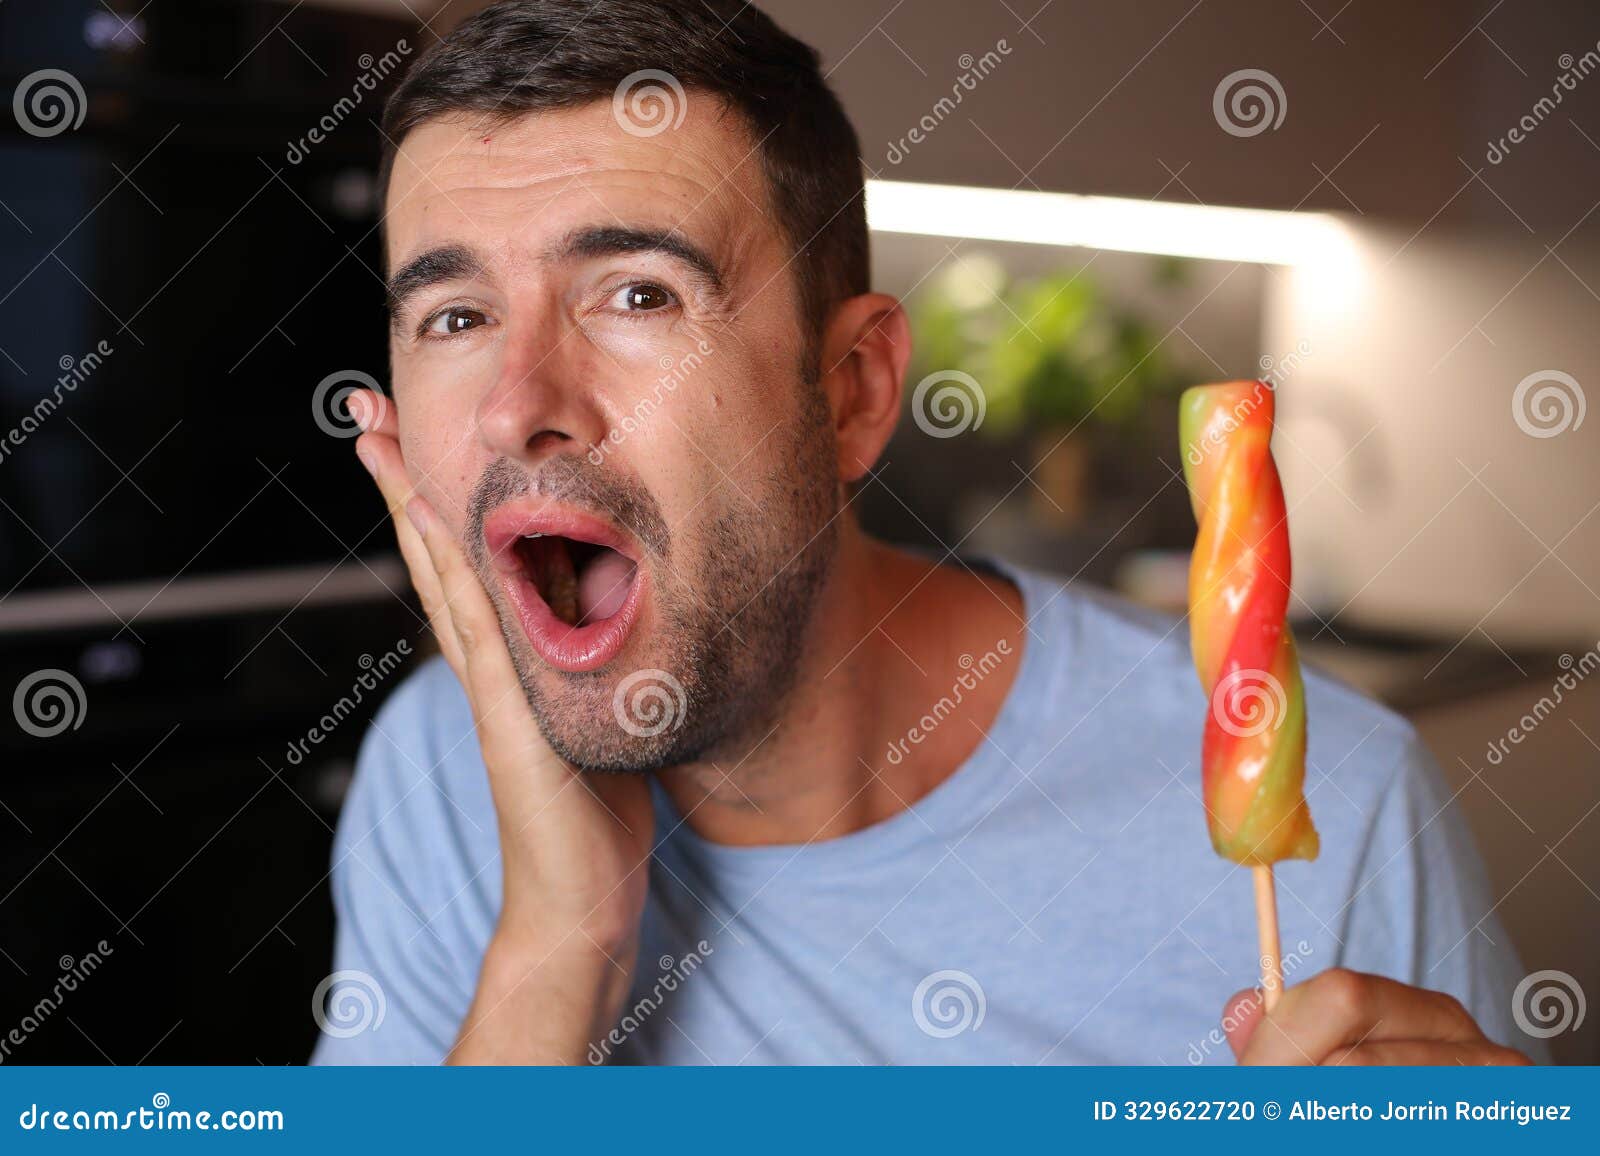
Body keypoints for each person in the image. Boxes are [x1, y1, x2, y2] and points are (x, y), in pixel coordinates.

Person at [313, 0, 1533, 1065]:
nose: (522, 403)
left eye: (639, 294)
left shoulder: (1350, 803)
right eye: (456, 313)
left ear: (850, 388)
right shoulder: (445, 777)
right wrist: (555, 942)